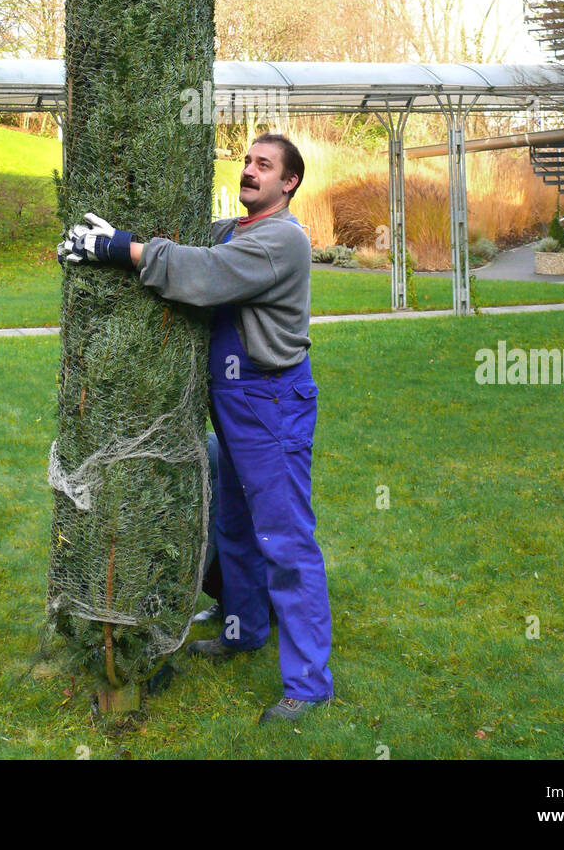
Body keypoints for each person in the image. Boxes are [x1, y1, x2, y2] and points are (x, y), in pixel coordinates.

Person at [59, 133, 333, 724]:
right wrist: (122, 233)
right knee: (234, 525)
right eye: (247, 161)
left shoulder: (282, 239)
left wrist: (120, 249)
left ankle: (309, 685)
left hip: (271, 400)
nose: (250, 171)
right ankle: (244, 630)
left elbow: (204, 274)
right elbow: (186, 244)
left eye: (265, 166)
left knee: (285, 540)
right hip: (233, 399)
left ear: (289, 183)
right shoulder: (234, 229)